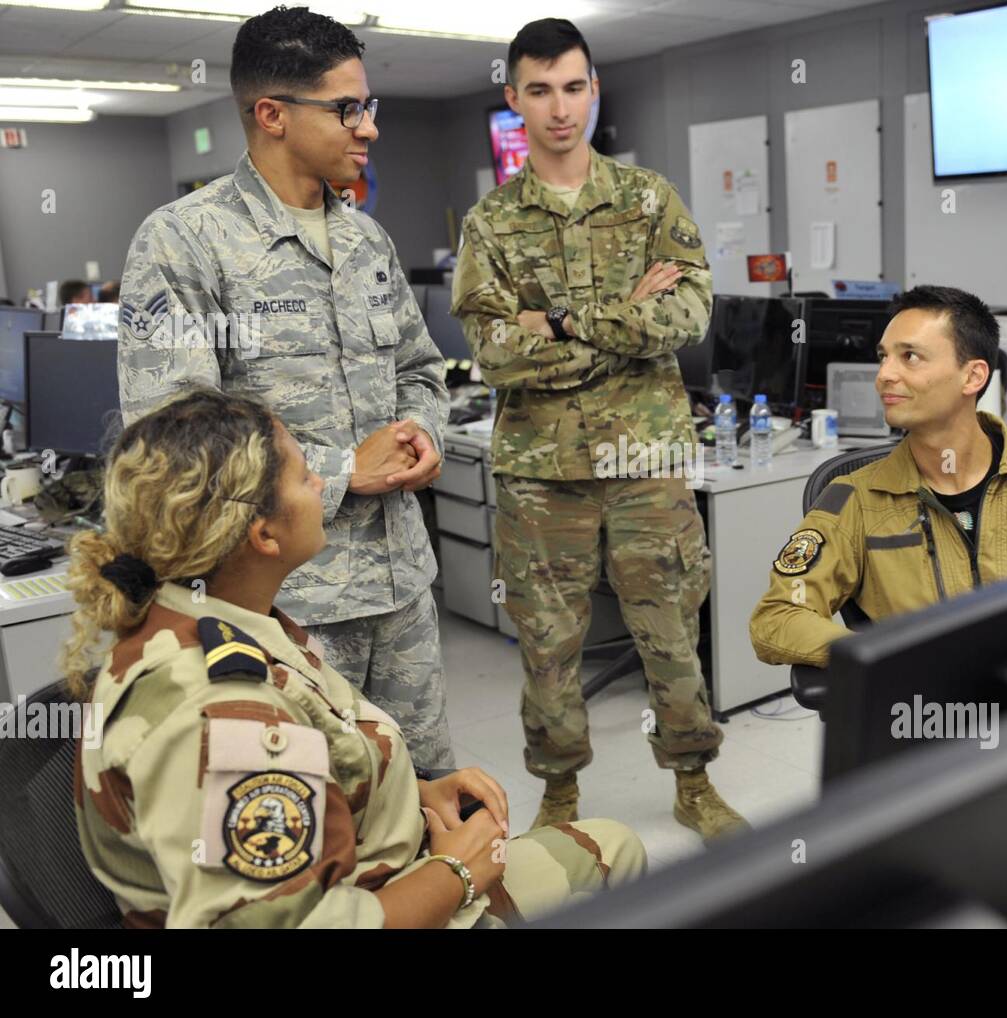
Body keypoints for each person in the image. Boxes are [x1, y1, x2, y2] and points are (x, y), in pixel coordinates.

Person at [68, 388, 645, 928]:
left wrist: (411, 794)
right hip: (389, 895)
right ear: (263, 535)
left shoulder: (210, 619)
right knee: (617, 852)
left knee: (613, 841)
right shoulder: (225, 715)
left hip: (381, 861)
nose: (321, 484)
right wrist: (458, 875)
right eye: (303, 475)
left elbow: (316, 754)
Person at [116, 6, 452, 769]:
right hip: (282, 606)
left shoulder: (368, 238)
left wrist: (422, 429)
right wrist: (343, 472)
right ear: (271, 114)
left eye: (368, 107)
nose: (367, 127)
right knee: (307, 816)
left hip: (401, 585)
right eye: (347, 109)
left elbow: (419, 369)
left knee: (421, 785)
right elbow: (175, 449)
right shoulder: (183, 241)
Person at [451, 18, 745, 840]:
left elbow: (686, 313)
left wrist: (562, 321)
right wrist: (621, 324)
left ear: (594, 89)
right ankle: (560, 794)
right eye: (539, 91)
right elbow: (495, 353)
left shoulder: (649, 198)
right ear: (513, 100)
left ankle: (694, 780)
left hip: (647, 459)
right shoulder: (490, 225)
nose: (559, 108)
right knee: (547, 649)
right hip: (542, 474)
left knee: (672, 633)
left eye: (573, 87)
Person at [749, 285, 1007, 669]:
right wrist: (886, 658)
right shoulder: (856, 500)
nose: (884, 375)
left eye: (909, 356)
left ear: (973, 376)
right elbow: (778, 617)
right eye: (883, 357)